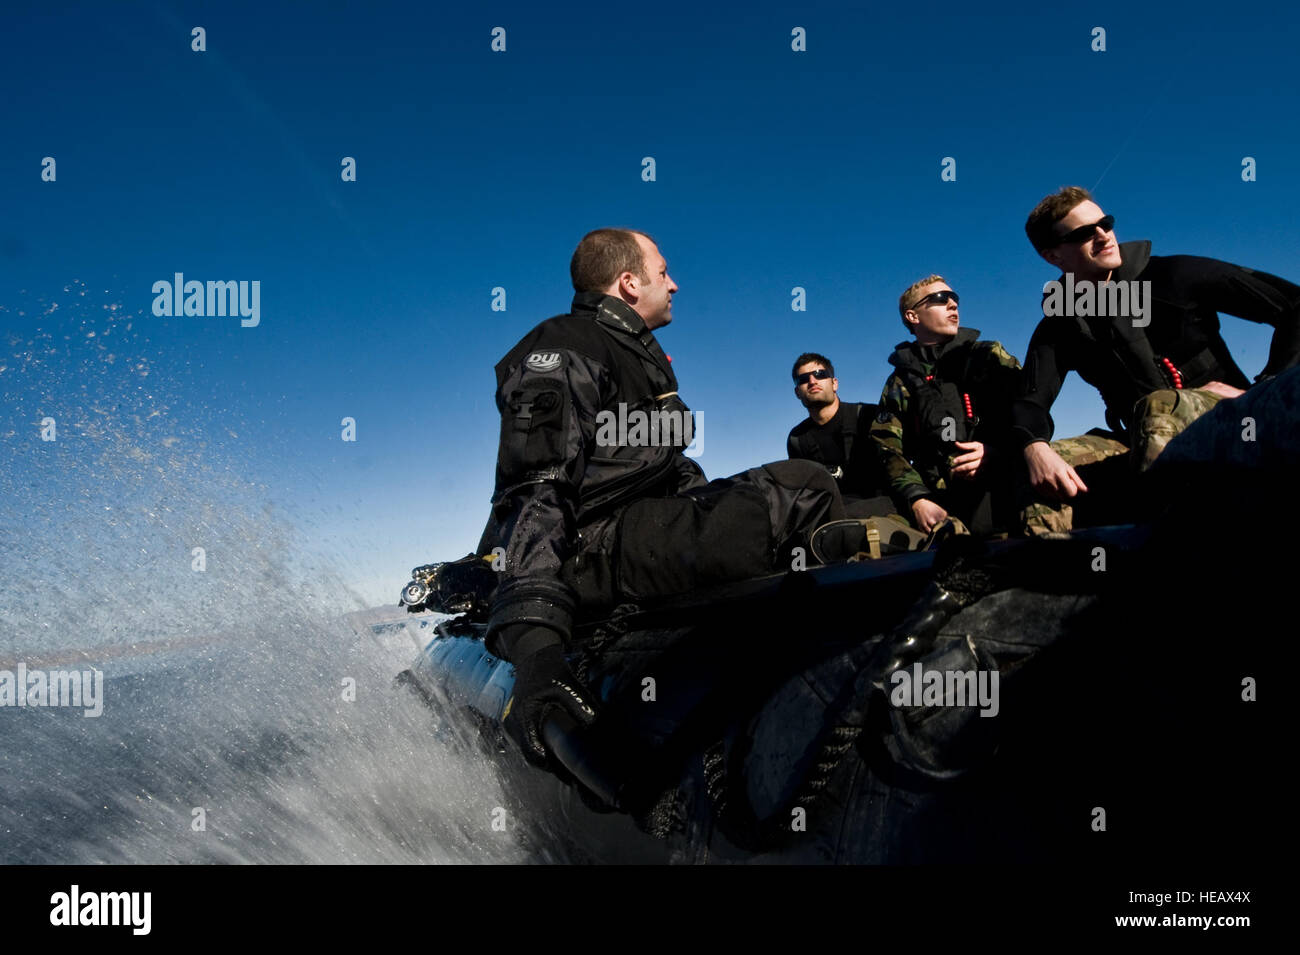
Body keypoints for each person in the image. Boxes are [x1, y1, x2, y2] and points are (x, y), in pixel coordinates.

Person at [477, 228, 844, 767]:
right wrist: (536, 644)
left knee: (808, 486)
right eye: (664, 272)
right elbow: (537, 487)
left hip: (635, 528)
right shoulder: (564, 346)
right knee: (772, 504)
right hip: (589, 547)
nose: (675, 284)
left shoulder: (637, 356)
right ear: (629, 283)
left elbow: (661, 472)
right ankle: (815, 679)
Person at [1015, 186, 1300, 533]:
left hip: (1231, 420)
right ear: (1053, 256)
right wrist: (1034, 446)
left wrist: (1264, 389)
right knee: (1046, 476)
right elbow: (1029, 401)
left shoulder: (1174, 276)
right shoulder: (1060, 324)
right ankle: (1057, 581)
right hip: (1137, 439)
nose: (1104, 236)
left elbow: (1293, 305)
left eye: (1105, 223)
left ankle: (1169, 560)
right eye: (1085, 233)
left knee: (1158, 408)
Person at [870, 275, 1023, 536]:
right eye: (940, 299)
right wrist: (916, 498)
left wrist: (996, 451)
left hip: (1002, 485)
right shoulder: (900, 381)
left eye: (955, 299)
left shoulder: (988, 355)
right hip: (937, 504)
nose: (953, 305)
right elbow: (886, 446)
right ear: (913, 316)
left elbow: (1030, 412)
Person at [787, 353, 896, 518]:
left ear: (834, 383)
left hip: (884, 512)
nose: (812, 381)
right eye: (803, 379)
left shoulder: (868, 416)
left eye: (820, 374)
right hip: (831, 520)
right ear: (797, 392)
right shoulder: (797, 438)